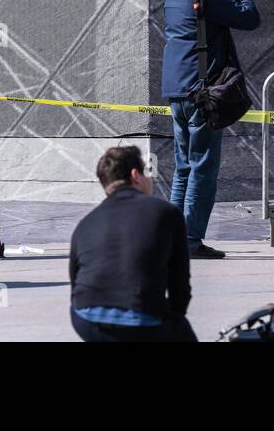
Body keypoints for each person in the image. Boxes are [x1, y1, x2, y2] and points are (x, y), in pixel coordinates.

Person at [161, 0, 260, 259]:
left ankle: (174, 238)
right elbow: (249, 18)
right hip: (202, 92)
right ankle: (190, 241)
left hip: (177, 89)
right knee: (203, 167)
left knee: (183, 167)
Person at [69, 146, 194, 342]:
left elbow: (75, 279)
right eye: (146, 171)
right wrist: (174, 320)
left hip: (86, 319)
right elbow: (180, 286)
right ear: (135, 175)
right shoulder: (166, 212)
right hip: (141, 321)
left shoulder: (86, 222)